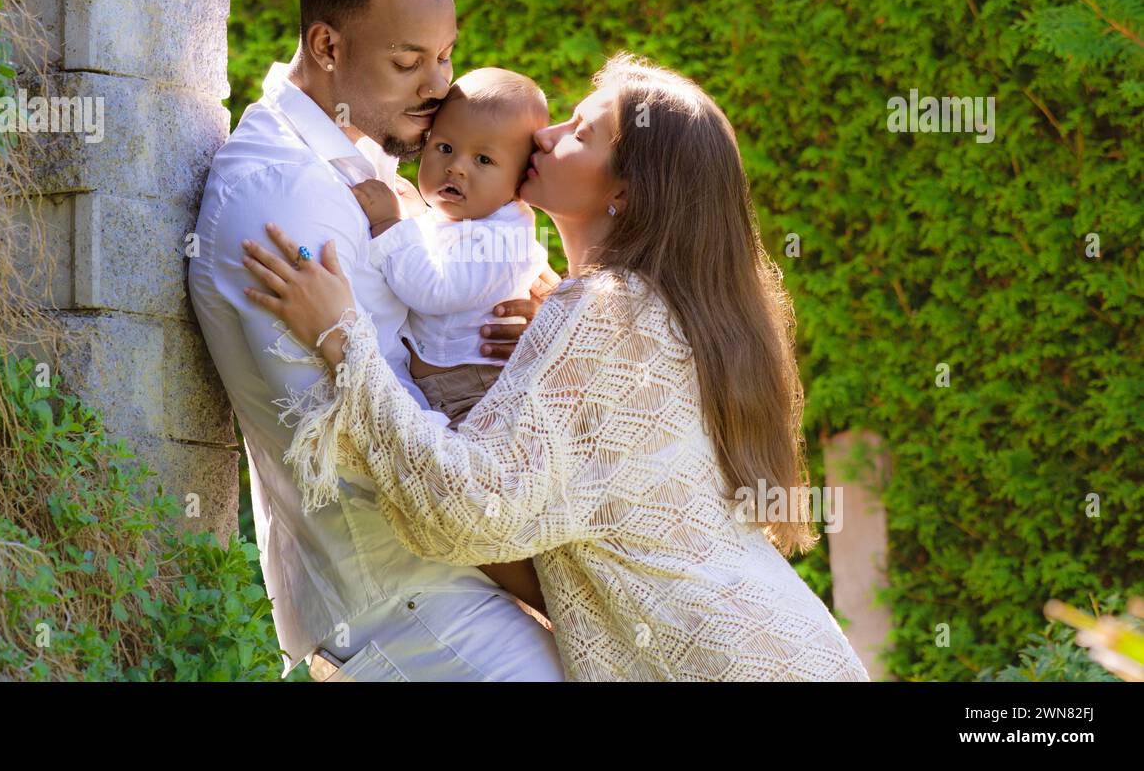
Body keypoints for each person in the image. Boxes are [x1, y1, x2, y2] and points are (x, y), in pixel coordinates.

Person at [240, 52, 873, 681]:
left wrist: (342, 337)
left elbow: (467, 512)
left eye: (580, 132)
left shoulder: (607, 312)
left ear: (626, 190)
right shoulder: (644, 315)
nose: (544, 135)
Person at [189, 0, 564, 682]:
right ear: (326, 45)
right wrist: (569, 586)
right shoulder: (282, 200)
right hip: (409, 616)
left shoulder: (363, 165)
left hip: (455, 581)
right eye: (408, 62)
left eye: (446, 55)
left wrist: (532, 331)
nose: (440, 87)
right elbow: (364, 447)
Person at [344, 67, 553, 618]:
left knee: (467, 510)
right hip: (450, 392)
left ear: (519, 180)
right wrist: (414, 213)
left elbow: (431, 288)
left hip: (474, 397)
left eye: (484, 160)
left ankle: (544, 603)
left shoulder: (505, 237)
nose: (457, 166)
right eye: (444, 147)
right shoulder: (457, 214)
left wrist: (392, 225)